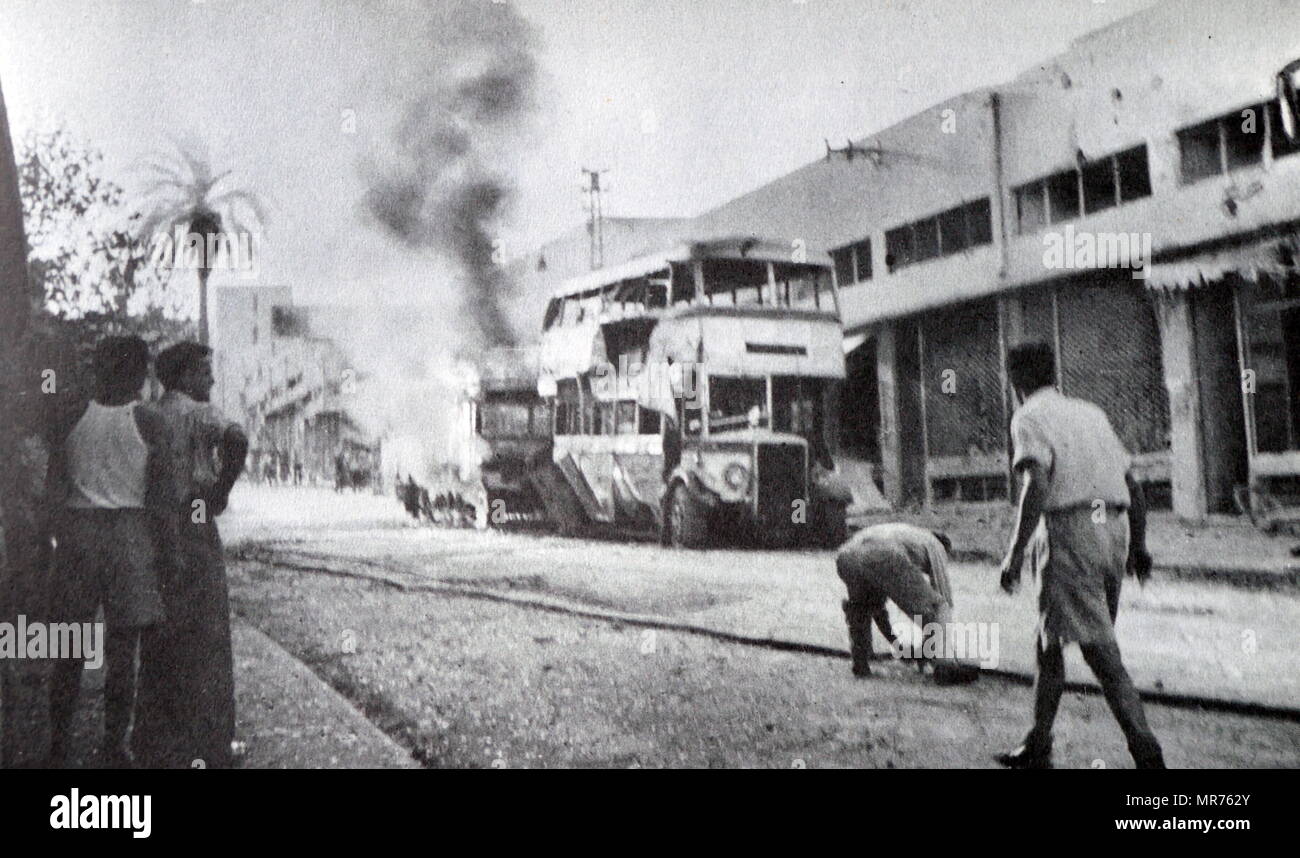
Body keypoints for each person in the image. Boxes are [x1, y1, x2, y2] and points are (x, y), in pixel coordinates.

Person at [996, 341, 1164, 769]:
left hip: (1072, 533)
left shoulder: (1028, 417)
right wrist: (1139, 546)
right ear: (1053, 373)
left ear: (1016, 380)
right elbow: (1134, 485)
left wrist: (1014, 555)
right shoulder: (1090, 413)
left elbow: (1036, 486)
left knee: (1100, 652)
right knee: (1049, 641)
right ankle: (1038, 743)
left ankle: (1148, 753)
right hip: (1113, 530)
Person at [43, 336, 179, 768]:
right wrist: (169, 553)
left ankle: (59, 744)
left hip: (79, 536)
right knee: (123, 651)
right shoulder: (150, 422)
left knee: (69, 647)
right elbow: (161, 500)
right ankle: (113, 743)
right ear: (139, 373)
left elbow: (53, 490)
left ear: (99, 370)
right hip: (129, 536)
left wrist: (55, 541)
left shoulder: (70, 417)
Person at [134, 342, 247, 769]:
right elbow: (237, 437)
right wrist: (219, 493)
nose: (211, 380)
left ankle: (157, 740)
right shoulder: (199, 413)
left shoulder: (149, 413)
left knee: (161, 633)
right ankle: (212, 742)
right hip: (194, 518)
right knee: (207, 633)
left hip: (152, 526)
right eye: (204, 372)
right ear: (183, 376)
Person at [836, 523, 980, 685]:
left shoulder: (908, 535)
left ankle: (860, 662)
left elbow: (878, 611)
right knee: (940, 606)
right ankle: (944, 666)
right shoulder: (935, 545)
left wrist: (898, 644)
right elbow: (941, 598)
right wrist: (930, 646)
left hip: (846, 553)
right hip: (884, 553)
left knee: (861, 607)